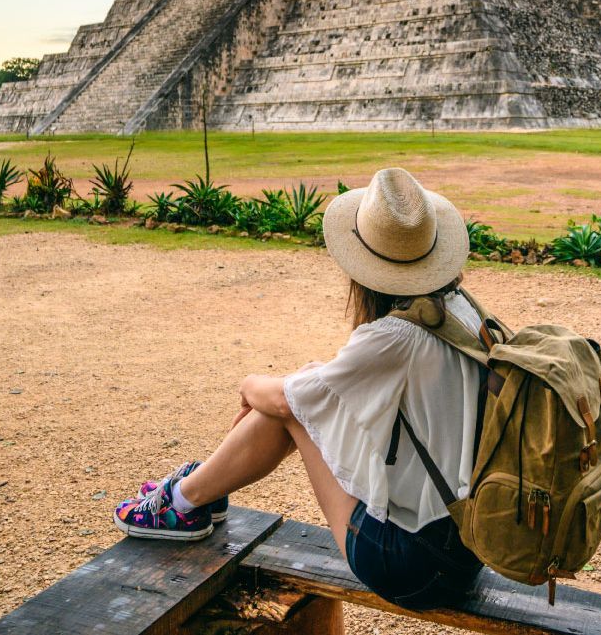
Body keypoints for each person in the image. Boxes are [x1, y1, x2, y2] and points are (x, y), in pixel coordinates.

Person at [114, 167, 484, 610]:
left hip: (412, 565)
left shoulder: (395, 337)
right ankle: (195, 494)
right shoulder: (463, 313)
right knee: (302, 390)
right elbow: (328, 389)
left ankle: (182, 501)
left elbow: (290, 401)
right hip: (466, 548)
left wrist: (249, 385)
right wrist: (295, 386)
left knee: (287, 406)